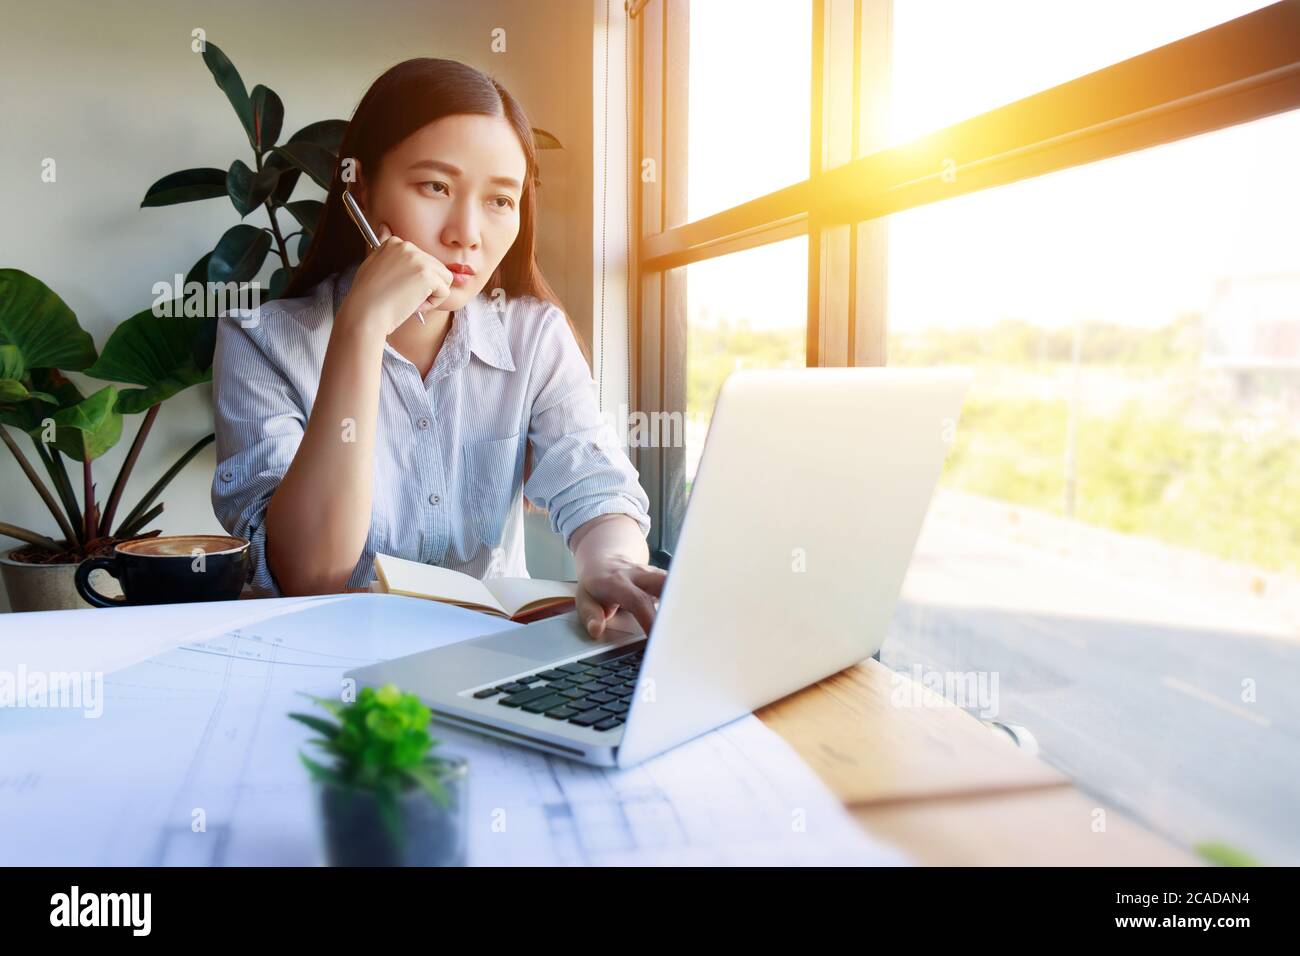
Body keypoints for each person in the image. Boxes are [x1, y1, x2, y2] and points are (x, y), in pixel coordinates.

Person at [211, 58, 665, 640]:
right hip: (331, 670)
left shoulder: (532, 338)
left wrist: (612, 561)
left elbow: (595, 485)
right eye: (435, 186)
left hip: (494, 663)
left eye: (500, 200)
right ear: (363, 190)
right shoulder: (262, 341)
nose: (467, 232)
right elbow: (310, 573)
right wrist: (360, 330)